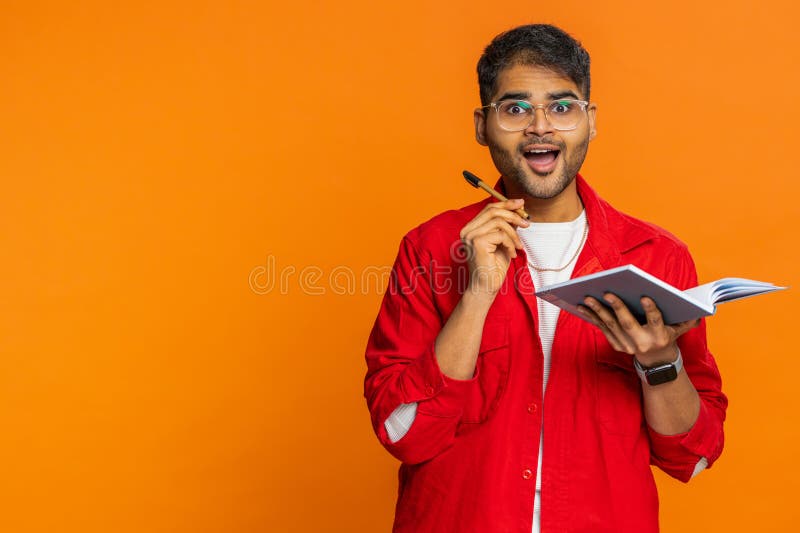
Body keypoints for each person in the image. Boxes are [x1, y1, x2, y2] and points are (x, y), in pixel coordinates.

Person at [363, 24, 726, 533]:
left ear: (590, 121)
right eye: (515, 109)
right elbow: (405, 435)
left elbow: (692, 455)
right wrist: (478, 295)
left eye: (562, 106)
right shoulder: (428, 249)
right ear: (481, 125)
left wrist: (659, 362)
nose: (540, 126)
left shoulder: (657, 259)